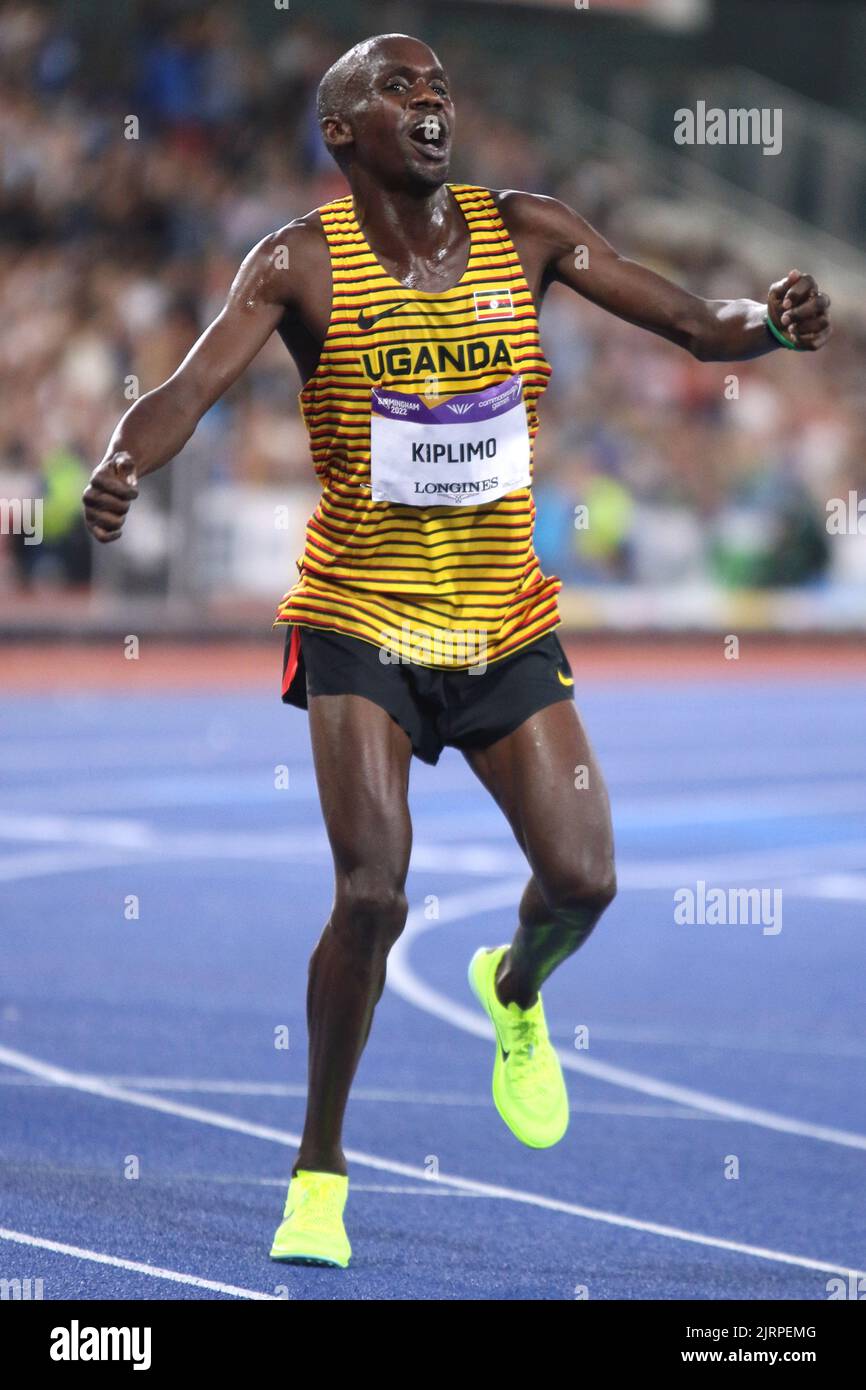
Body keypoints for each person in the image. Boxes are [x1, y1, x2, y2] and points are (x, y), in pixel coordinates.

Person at [83, 33, 832, 1270]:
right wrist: (121, 463)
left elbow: (699, 324)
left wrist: (775, 327)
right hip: (359, 618)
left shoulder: (526, 230)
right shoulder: (296, 264)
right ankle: (319, 1171)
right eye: (398, 88)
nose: (431, 103)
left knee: (585, 880)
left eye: (438, 86)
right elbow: (181, 390)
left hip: (501, 624)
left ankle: (515, 989)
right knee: (370, 889)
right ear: (341, 130)